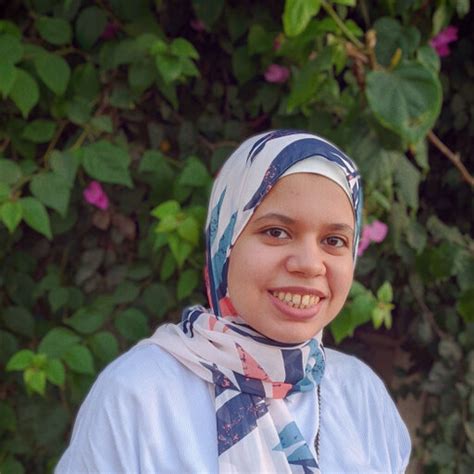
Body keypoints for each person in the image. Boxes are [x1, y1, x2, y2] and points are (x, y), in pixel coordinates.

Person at [55, 130, 411, 473]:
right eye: (276, 232)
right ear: (225, 243)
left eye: (333, 240)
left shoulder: (360, 394)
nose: (309, 264)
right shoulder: (141, 394)